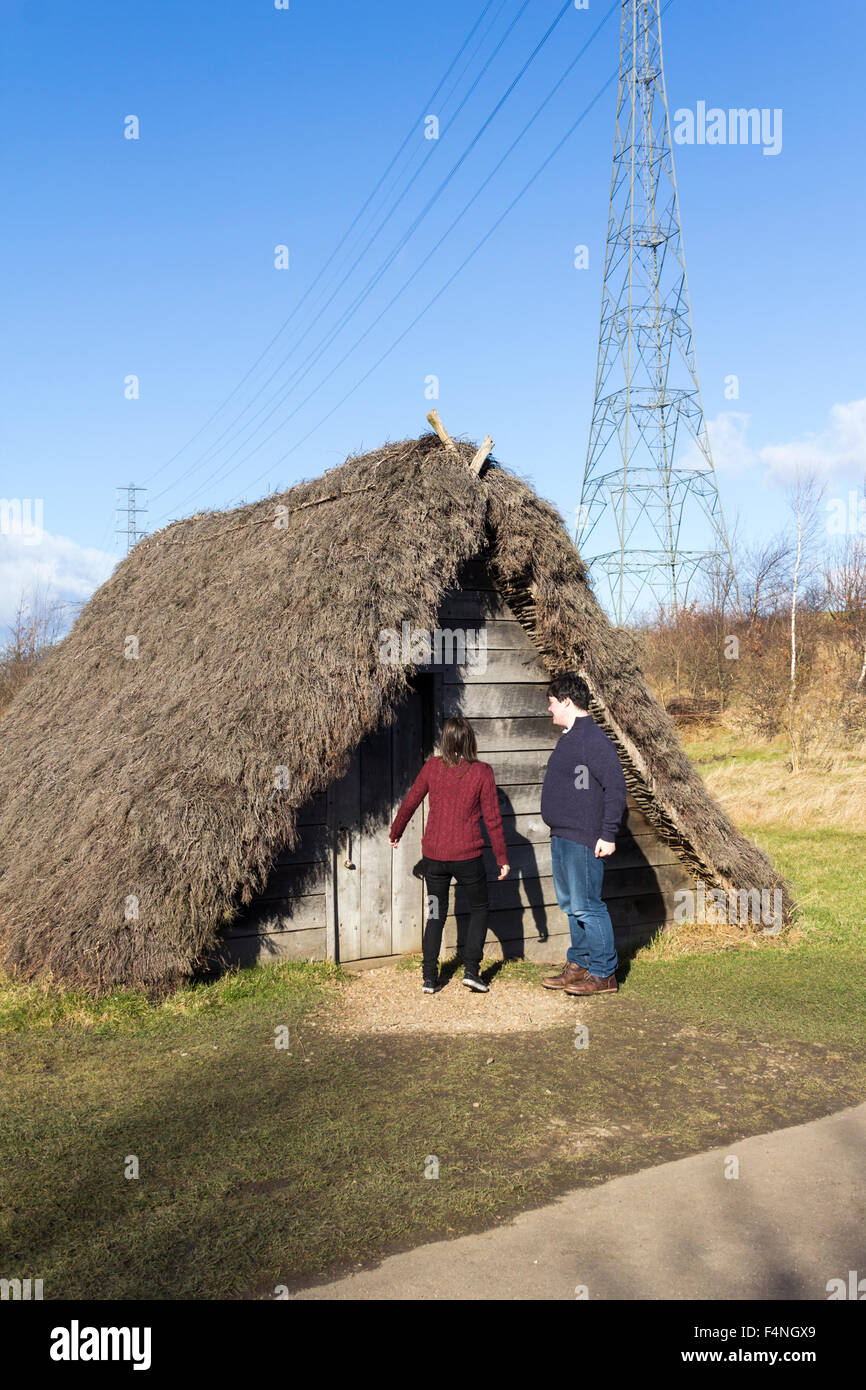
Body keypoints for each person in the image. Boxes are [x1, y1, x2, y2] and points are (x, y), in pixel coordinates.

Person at [389, 716, 510, 994]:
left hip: (434, 860)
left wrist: (396, 832)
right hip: (468, 859)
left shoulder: (432, 767)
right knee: (479, 908)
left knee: (435, 914)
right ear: (469, 740)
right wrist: (502, 858)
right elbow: (493, 819)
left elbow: (410, 801)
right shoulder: (482, 772)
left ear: (444, 740)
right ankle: (471, 971)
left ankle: (429, 978)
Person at [540, 673, 626, 997]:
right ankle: (580, 963)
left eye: (551, 703)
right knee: (571, 905)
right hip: (563, 835)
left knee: (588, 905)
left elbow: (616, 787)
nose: (549, 710)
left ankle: (604, 973)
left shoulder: (593, 740)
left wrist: (608, 834)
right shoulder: (571, 737)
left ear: (566, 701)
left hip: (584, 838)